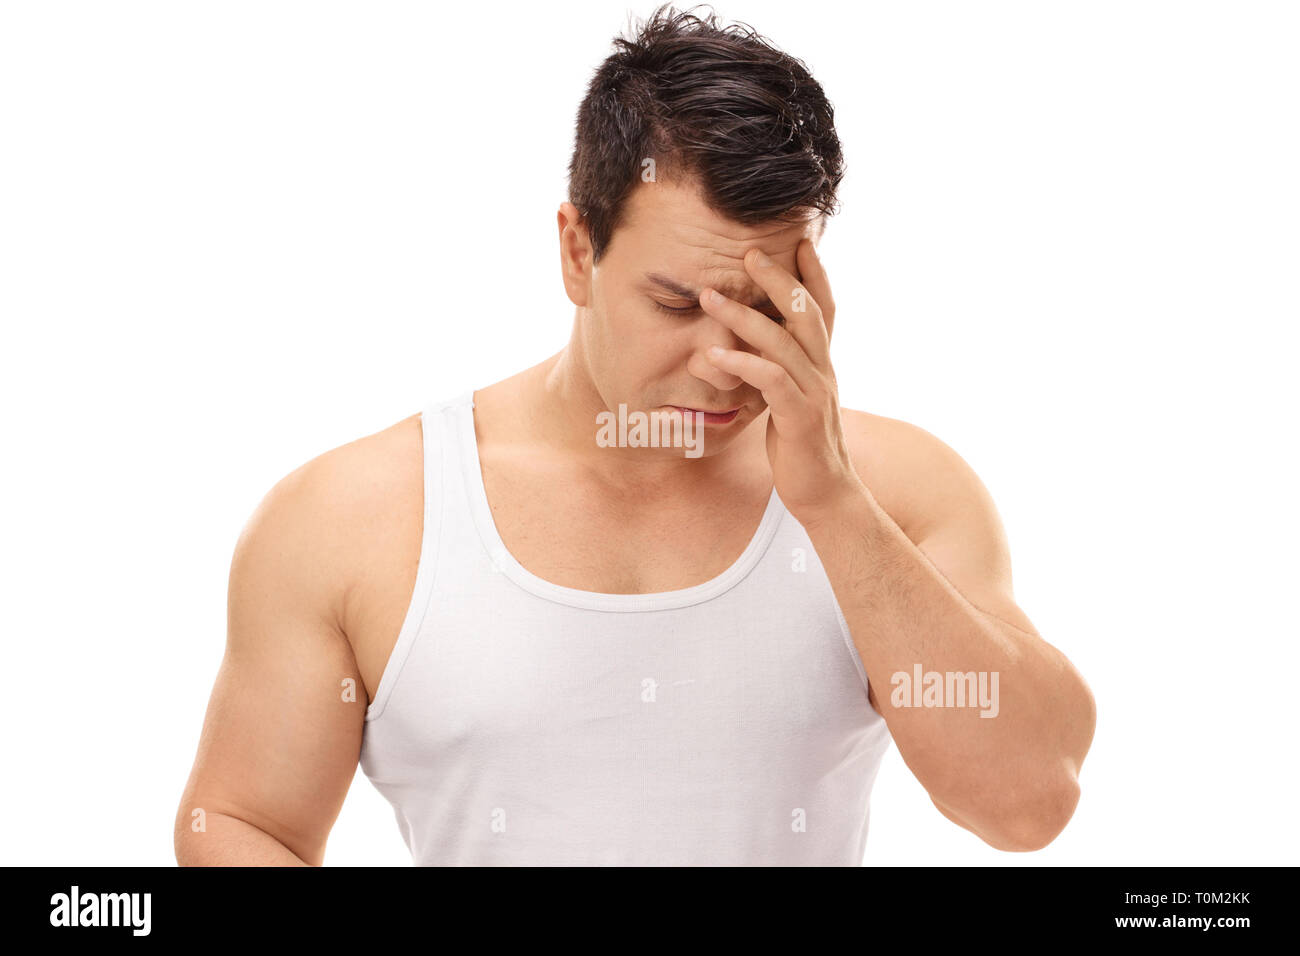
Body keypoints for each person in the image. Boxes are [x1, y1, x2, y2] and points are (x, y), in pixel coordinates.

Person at [174, 4, 1094, 866]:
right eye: (676, 304)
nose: (719, 362)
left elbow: (1027, 803)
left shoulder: (901, 490)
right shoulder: (354, 515)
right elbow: (246, 823)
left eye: (764, 309)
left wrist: (833, 502)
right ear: (578, 252)